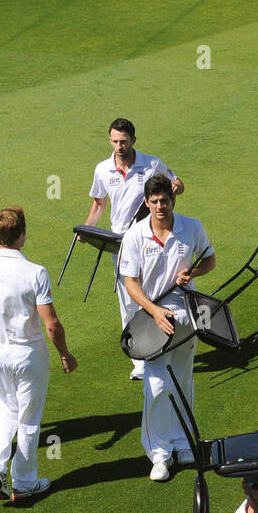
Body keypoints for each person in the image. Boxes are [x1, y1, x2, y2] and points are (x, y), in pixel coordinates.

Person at [0, 206, 77, 501]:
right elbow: (51, 324)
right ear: (22, 235)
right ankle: (24, 482)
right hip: (29, 354)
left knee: (6, 407)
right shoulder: (35, 272)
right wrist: (65, 354)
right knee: (28, 419)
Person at [119, 173, 215, 482]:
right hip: (152, 319)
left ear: (172, 200)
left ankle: (181, 441)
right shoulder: (134, 236)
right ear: (146, 203)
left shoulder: (192, 227)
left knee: (184, 380)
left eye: (165, 200)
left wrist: (193, 271)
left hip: (188, 315)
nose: (161, 206)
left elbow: (210, 260)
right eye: (155, 201)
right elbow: (130, 282)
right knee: (157, 385)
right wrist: (154, 311)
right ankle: (158, 453)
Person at [81, 118, 185, 382]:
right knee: (128, 300)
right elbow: (98, 204)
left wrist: (176, 187)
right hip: (121, 243)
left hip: (151, 238)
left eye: (124, 141)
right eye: (115, 141)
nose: (119, 146)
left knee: (155, 292)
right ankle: (139, 357)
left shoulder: (151, 163)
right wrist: (87, 228)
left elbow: (178, 183)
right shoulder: (102, 169)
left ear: (134, 140)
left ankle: (162, 344)